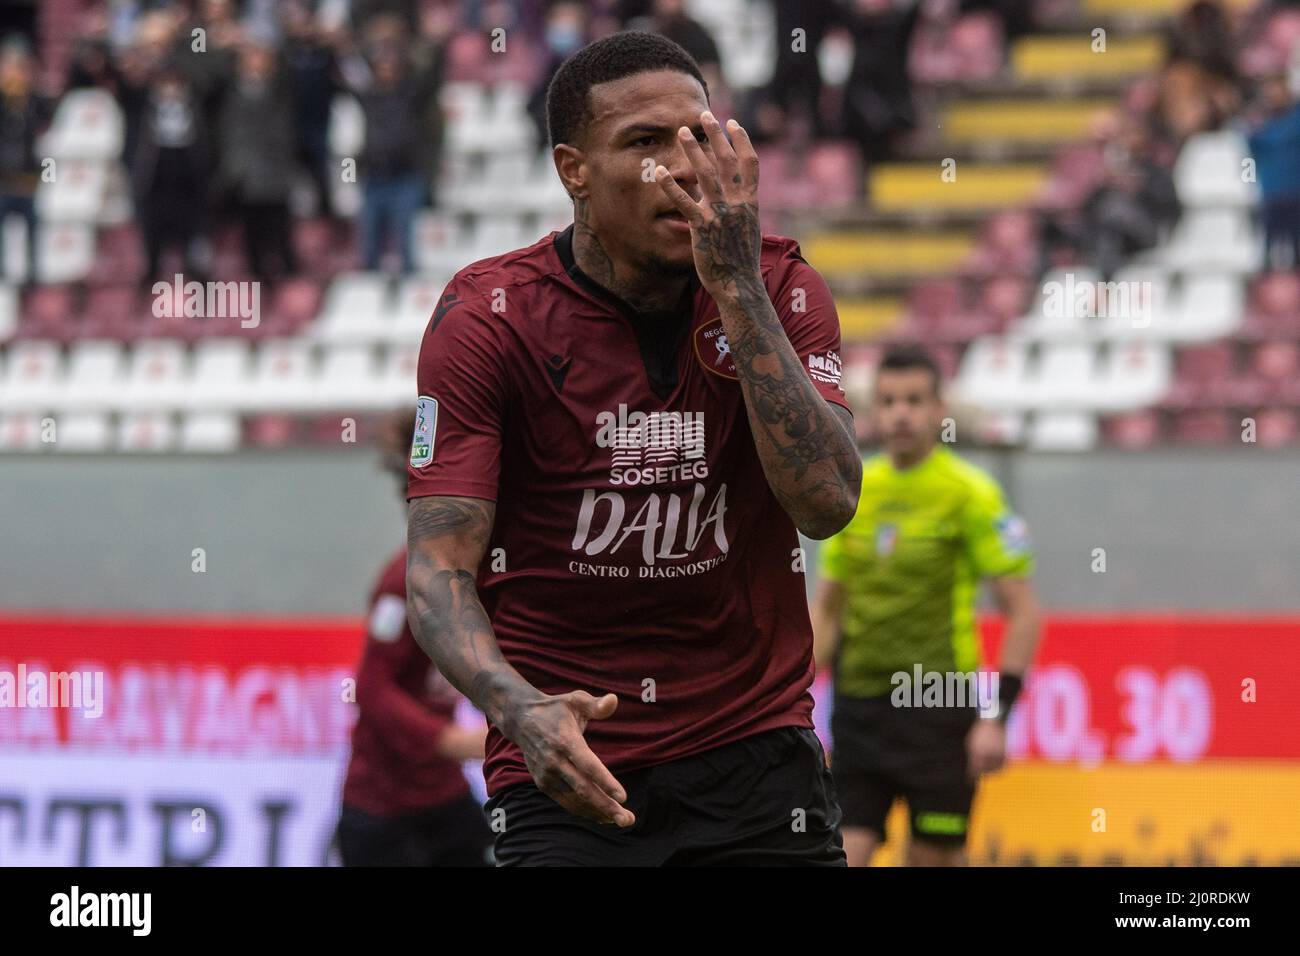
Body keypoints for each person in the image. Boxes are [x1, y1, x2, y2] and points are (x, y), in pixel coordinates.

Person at [404, 31, 861, 866]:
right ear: (573, 169)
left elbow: (827, 505)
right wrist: (519, 709)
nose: (681, 166)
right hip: (567, 766)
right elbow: (437, 573)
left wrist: (736, 292)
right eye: (645, 144)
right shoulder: (487, 317)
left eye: (696, 136)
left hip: (757, 757)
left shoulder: (781, 286)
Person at [810, 342, 1042, 866]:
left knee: (933, 857)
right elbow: (827, 610)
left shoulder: (970, 493)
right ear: (874, 411)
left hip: (938, 705)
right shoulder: (855, 490)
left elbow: (1023, 612)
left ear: (940, 408)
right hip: (860, 708)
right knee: (841, 854)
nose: (901, 414)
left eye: (914, 400)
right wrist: (796, 704)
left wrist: (996, 718)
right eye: (889, 401)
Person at [338, 410, 493, 867]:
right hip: (384, 811)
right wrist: (451, 740)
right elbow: (371, 686)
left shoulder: (483, 575)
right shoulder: (400, 583)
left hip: (444, 799)